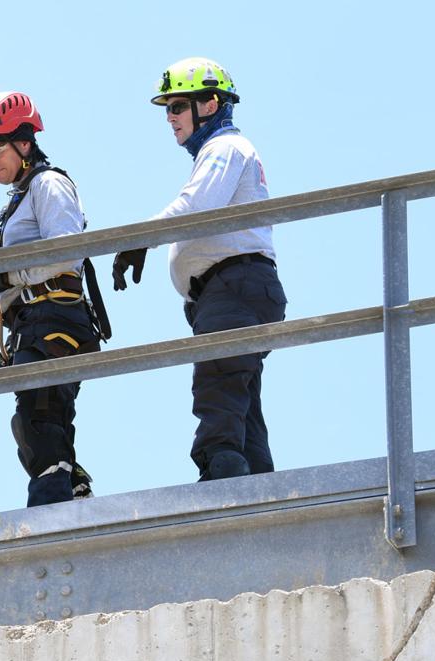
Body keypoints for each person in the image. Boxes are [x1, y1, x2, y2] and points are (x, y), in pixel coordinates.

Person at [112, 58, 287, 481]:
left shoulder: (225, 148)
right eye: (167, 109)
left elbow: (196, 207)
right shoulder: (223, 150)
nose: (169, 118)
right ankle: (256, 485)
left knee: (219, 384)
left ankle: (221, 477)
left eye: (176, 106)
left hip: (233, 285)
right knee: (239, 396)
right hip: (235, 288)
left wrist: (142, 238)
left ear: (208, 104)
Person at [0, 91, 107, 506]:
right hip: (35, 323)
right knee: (41, 414)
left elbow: (66, 250)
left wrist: (9, 273)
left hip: (56, 318)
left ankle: (51, 501)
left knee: (38, 412)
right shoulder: (21, 196)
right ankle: (72, 489)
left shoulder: (49, 184)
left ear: (24, 144)